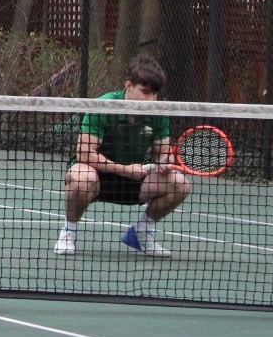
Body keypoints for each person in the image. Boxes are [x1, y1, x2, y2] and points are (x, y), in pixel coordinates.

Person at [54, 54, 190, 258]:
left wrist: (164, 163)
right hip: (97, 176)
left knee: (180, 184)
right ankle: (69, 232)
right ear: (128, 85)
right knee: (81, 177)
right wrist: (125, 170)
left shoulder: (159, 113)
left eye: (155, 94)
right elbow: (84, 153)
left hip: (134, 181)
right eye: (145, 92)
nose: (151, 99)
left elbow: (163, 153)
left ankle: (142, 234)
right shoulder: (104, 106)